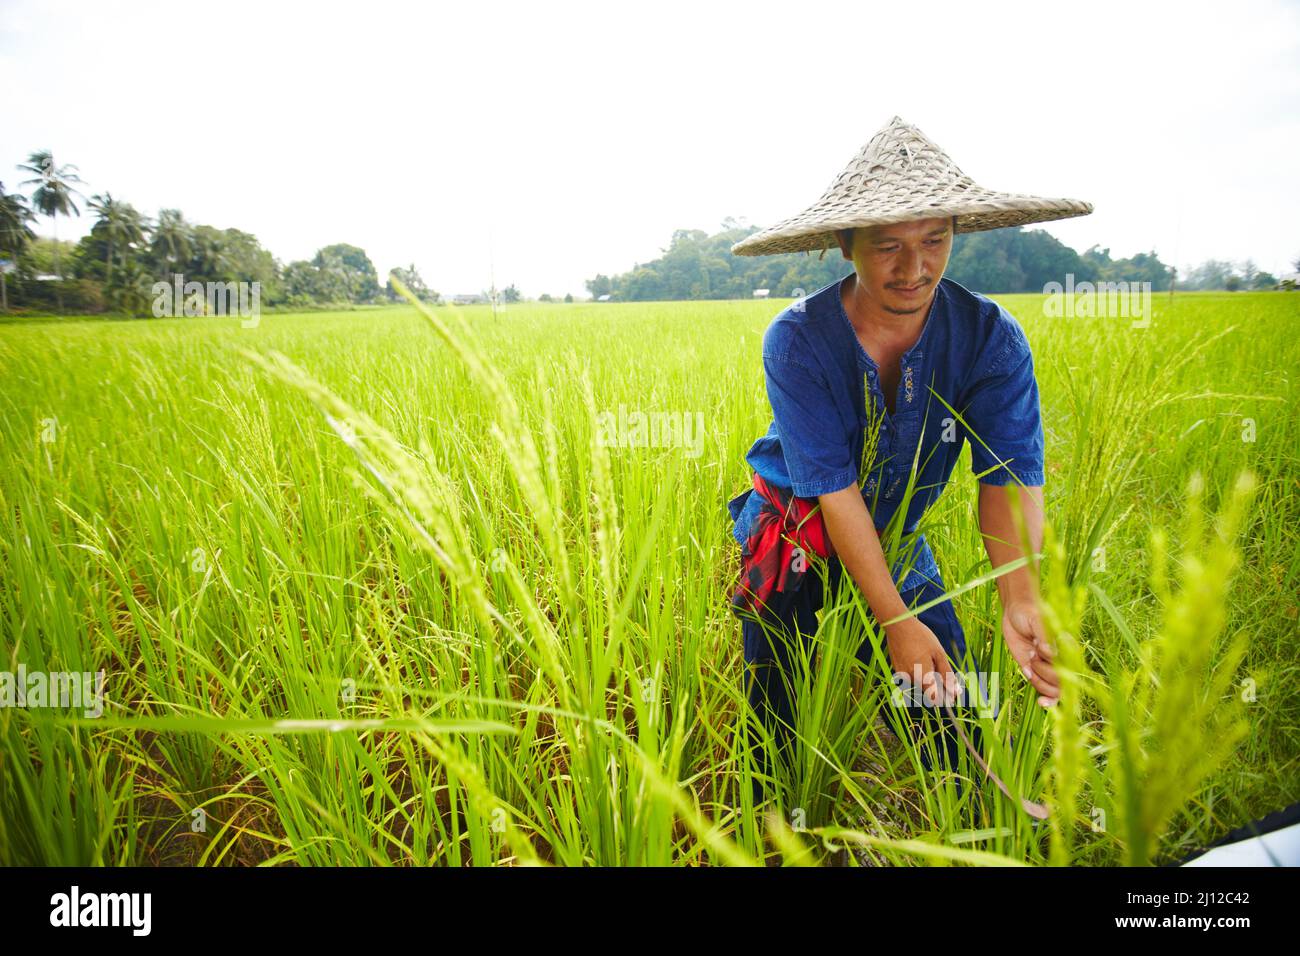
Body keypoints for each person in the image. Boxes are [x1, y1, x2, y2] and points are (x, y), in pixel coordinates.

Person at [726, 115, 1093, 803]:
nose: (914, 267)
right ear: (845, 243)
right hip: (795, 542)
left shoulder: (989, 339)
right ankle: (779, 825)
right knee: (780, 729)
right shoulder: (798, 339)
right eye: (888, 245)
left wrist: (1020, 596)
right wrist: (892, 620)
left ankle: (987, 816)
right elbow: (832, 492)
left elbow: (1007, 477)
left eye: (935, 240)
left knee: (948, 708)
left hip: (895, 537)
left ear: (957, 229)